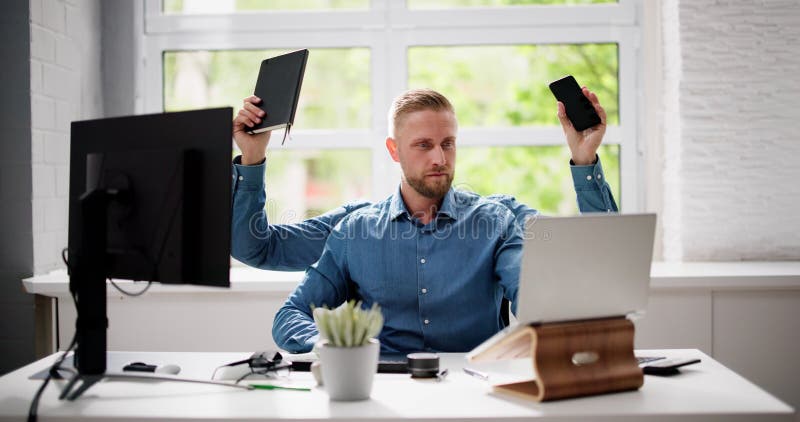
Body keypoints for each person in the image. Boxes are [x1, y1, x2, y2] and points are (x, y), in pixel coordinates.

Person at [231, 88, 617, 353]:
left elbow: (597, 253)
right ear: (394, 150)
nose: (439, 158)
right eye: (423, 145)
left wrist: (584, 159)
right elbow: (260, 255)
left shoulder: (498, 221)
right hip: (382, 395)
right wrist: (333, 348)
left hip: (476, 394)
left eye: (447, 143)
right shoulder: (354, 229)